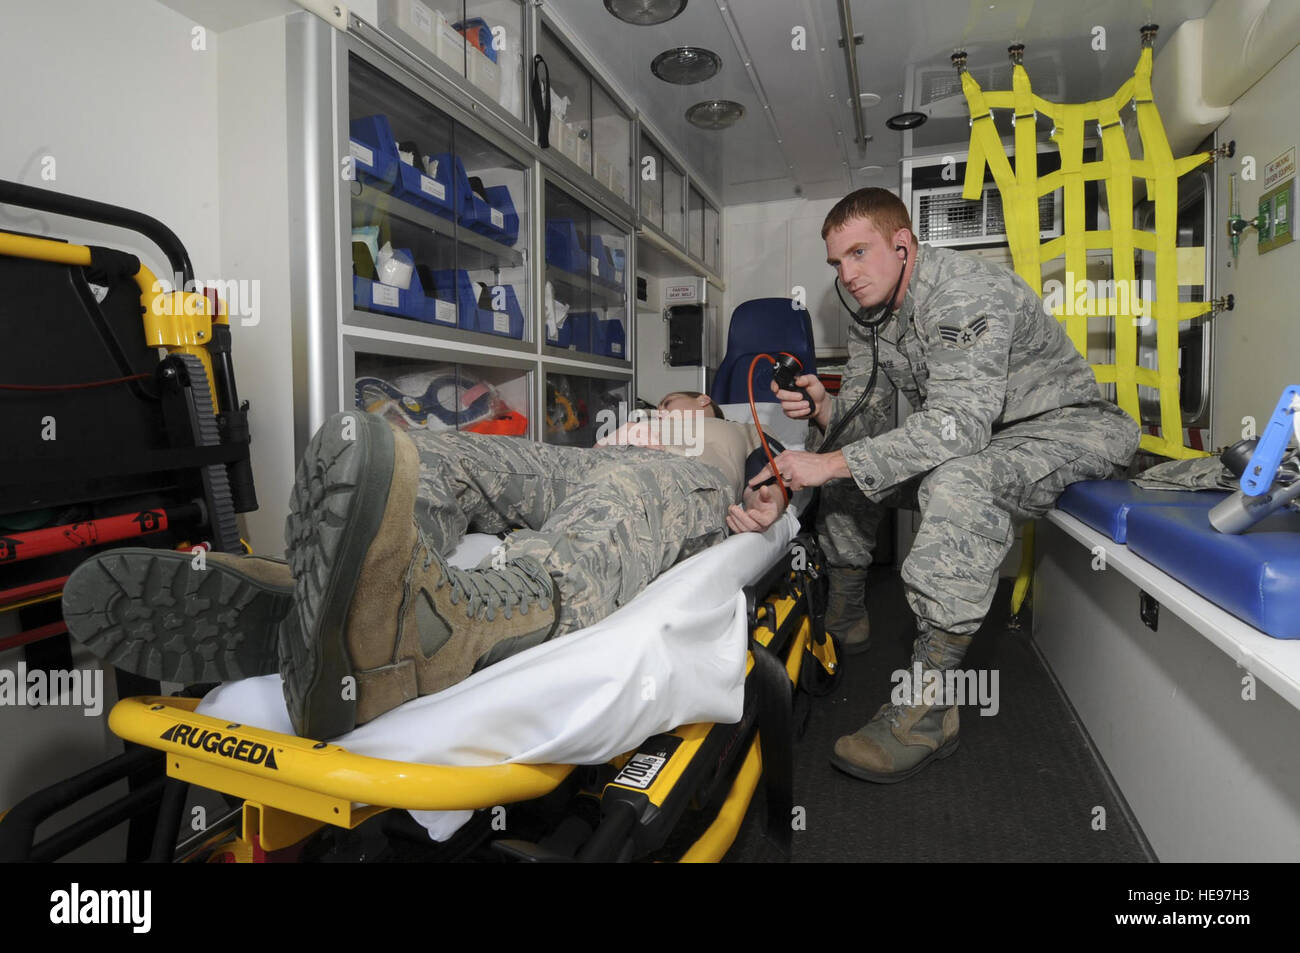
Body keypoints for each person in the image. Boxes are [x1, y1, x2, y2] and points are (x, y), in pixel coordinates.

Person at [62, 393, 787, 740]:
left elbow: (779, 490)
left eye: (684, 401)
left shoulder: (727, 438)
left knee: (622, 495)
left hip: (669, 482)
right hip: (578, 463)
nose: (672, 405)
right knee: (439, 452)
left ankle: (467, 623)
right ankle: (364, 592)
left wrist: (767, 497)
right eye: (666, 402)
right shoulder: (628, 419)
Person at [754, 187, 1140, 784]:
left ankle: (930, 710)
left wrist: (826, 465)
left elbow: (958, 429)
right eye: (836, 263)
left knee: (956, 482)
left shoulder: (964, 292)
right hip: (990, 437)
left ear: (903, 244)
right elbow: (867, 415)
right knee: (847, 459)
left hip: (1066, 431)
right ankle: (848, 616)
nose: (847, 275)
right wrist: (825, 409)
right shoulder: (873, 312)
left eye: (859, 253)